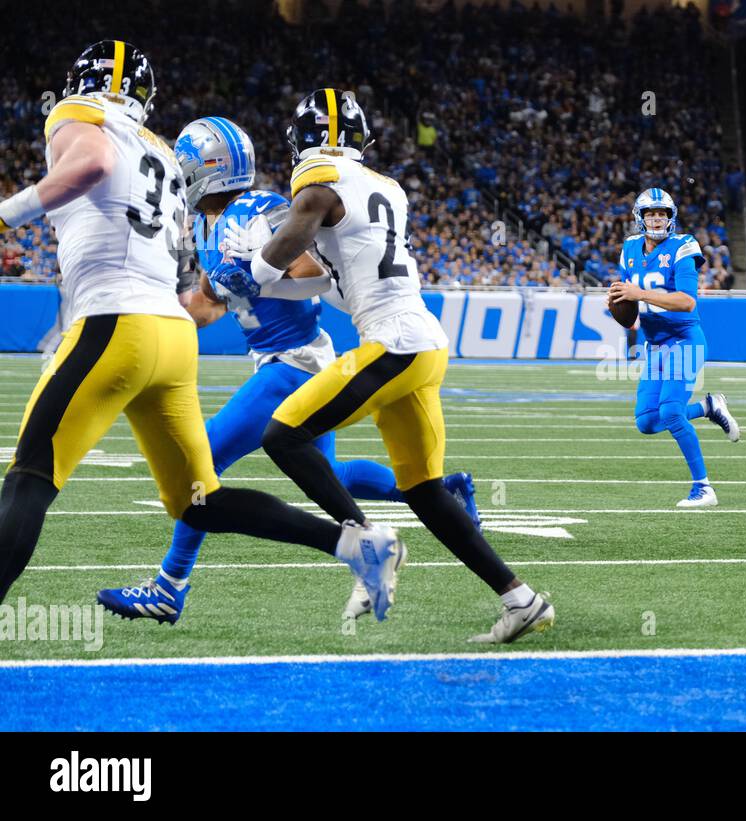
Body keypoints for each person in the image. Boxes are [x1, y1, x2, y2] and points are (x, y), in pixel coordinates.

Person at [0, 43, 400, 606]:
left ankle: (172, 584)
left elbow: (91, 165)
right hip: (170, 336)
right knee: (198, 498)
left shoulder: (78, 114)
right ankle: (354, 544)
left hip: (122, 322)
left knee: (30, 476)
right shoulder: (159, 150)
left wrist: (6, 214)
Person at [96, 116, 479, 624]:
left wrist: (255, 277)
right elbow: (208, 305)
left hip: (293, 364)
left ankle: (170, 587)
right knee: (331, 475)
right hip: (290, 361)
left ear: (203, 170)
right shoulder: (212, 223)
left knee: (199, 462)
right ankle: (441, 491)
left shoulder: (259, 209)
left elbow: (310, 272)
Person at [216, 88, 547, 641]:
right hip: (419, 343)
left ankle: (366, 541)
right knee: (423, 490)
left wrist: (257, 265)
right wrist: (272, 280)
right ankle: (522, 599)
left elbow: (308, 211)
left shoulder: (318, 179)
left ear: (302, 140)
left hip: (394, 343)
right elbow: (345, 282)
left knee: (284, 435)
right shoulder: (386, 188)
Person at [608, 188, 740, 508]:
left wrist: (639, 294)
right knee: (647, 421)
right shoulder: (629, 248)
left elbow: (686, 300)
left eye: (662, 213)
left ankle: (704, 488)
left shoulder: (684, 246)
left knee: (669, 411)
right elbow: (628, 303)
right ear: (640, 217)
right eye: (651, 213)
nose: (657, 218)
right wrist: (620, 302)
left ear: (671, 217)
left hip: (685, 341)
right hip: (655, 345)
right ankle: (708, 407)